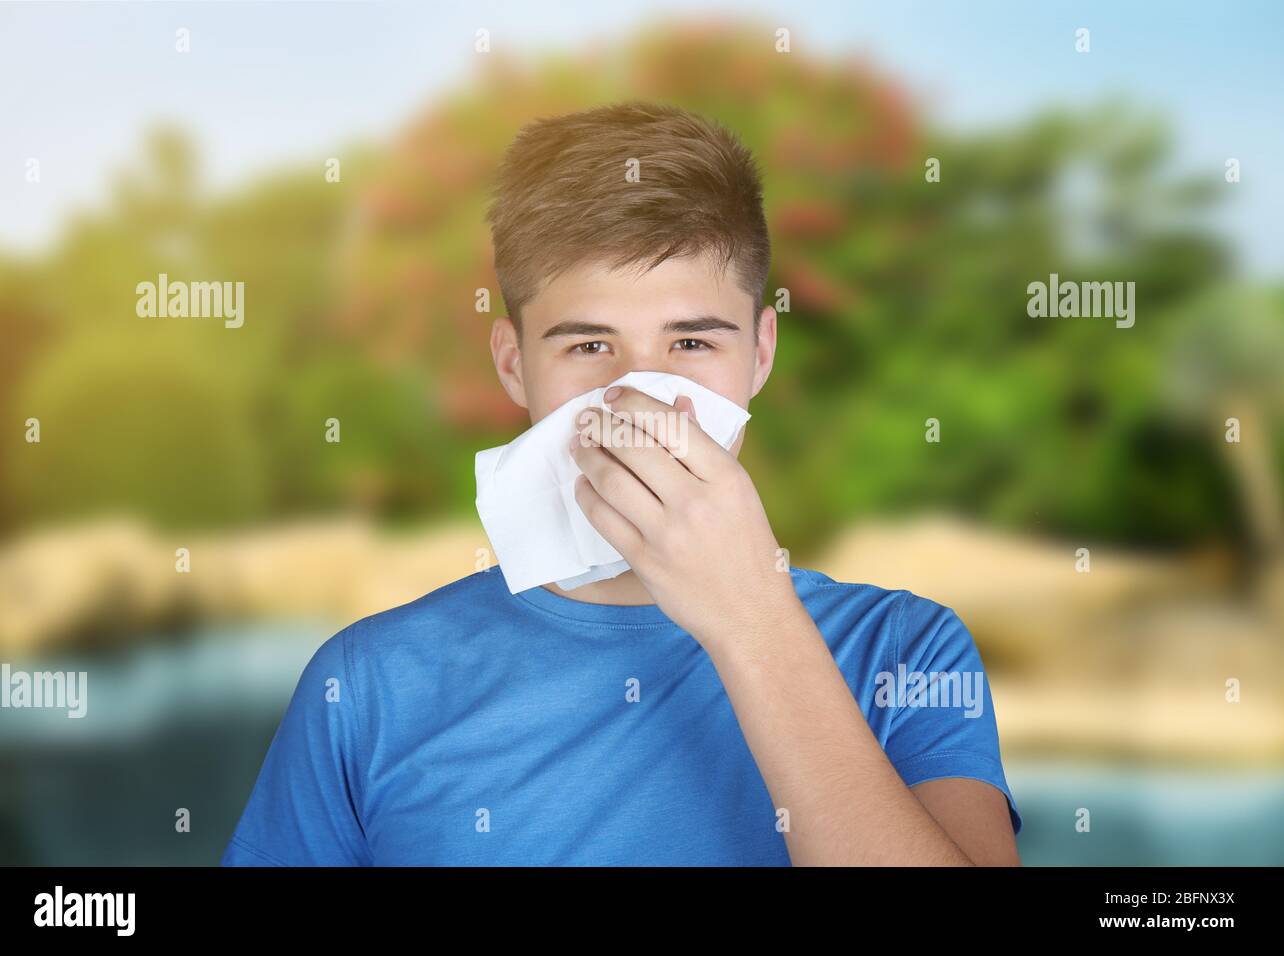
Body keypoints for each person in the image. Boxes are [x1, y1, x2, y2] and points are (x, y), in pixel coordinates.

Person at [221, 101, 1022, 866]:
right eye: (590, 347)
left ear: (762, 352)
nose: (642, 400)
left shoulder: (906, 651)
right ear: (512, 363)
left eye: (691, 344)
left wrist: (751, 618)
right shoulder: (365, 689)